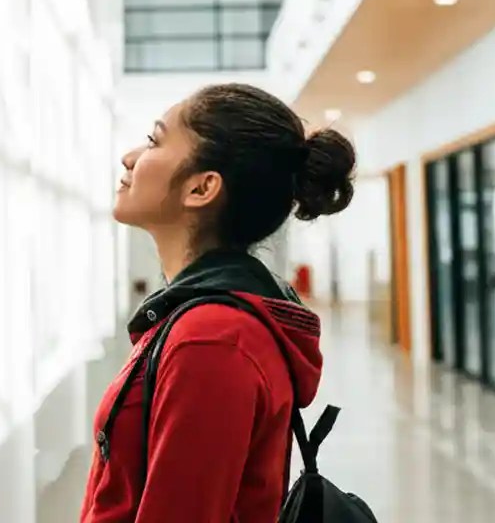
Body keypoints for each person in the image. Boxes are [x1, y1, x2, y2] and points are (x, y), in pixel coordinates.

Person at [80, 83, 356, 522]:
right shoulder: (208, 321)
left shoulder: (212, 341)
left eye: (154, 140)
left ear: (202, 187)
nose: (129, 157)